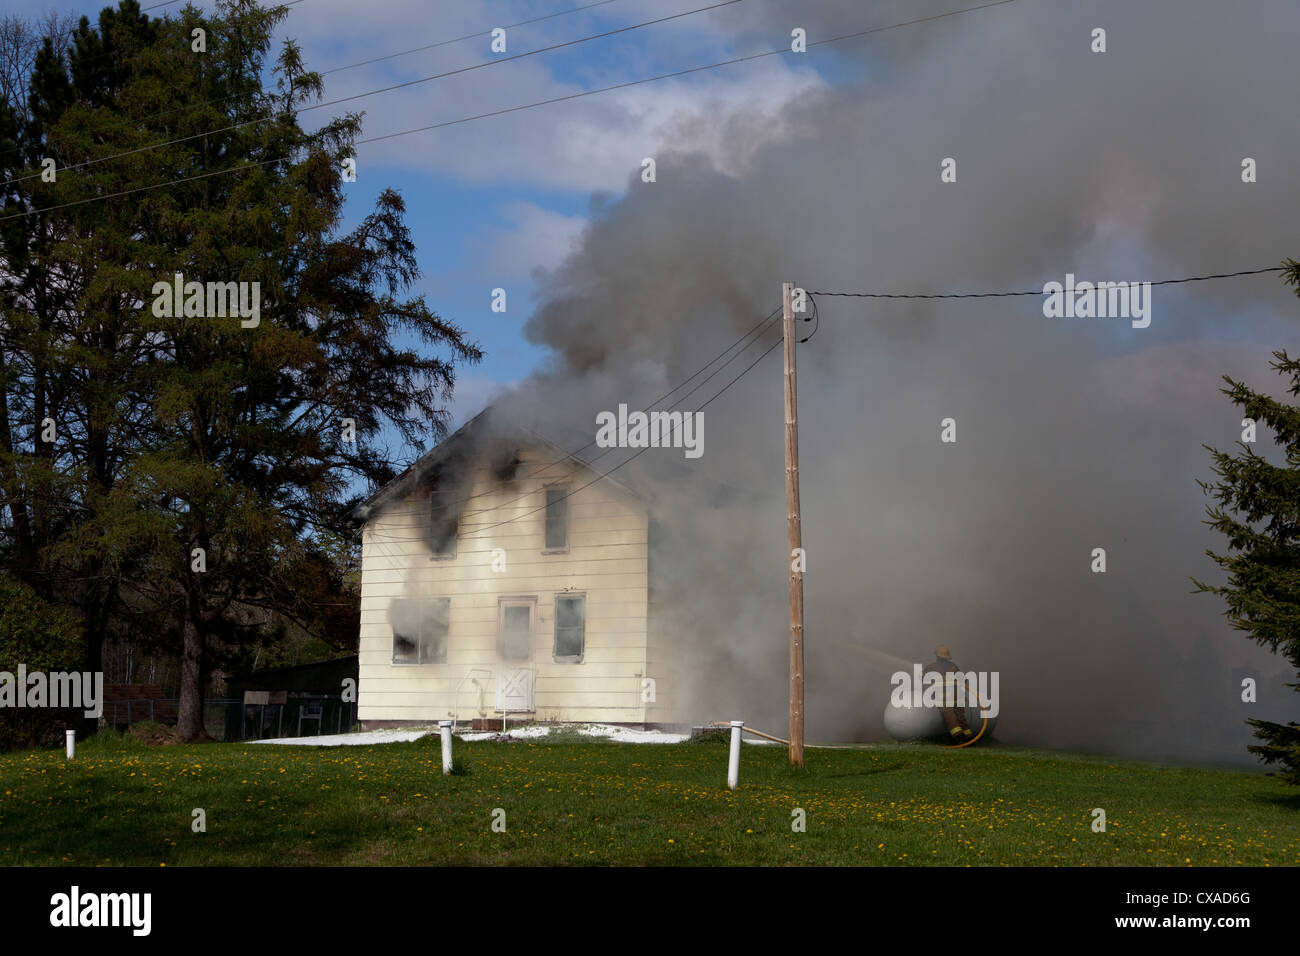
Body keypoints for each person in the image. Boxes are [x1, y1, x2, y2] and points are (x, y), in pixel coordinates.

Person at [930, 645, 974, 743]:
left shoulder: (932, 667)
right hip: (958, 698)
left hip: (945, 699)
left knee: (950, 717)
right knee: (961, 717)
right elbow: (963, 679)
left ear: (937, 657)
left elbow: (922, 677)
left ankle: (959, 738)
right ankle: (969, 738)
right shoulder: (953, 666)